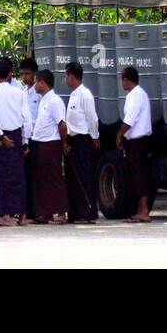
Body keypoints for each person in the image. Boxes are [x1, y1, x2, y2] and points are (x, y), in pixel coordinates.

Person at [0, 58, 32, 226]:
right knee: (19, 175)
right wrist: (25, 141)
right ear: (11, 73)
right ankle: (22, 214)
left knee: (2, 176)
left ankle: (4, 215)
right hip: (17, 135)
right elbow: (27, 118)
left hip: (0, 136)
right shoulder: (20, 93)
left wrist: (1, 134)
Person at [63, 62, 100, 223]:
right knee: (72, 178)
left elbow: (92, 118)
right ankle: (75, 212)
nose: (65, 79)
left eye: (66, 76)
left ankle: (88, 212)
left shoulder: (85, 94)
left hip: (83, 139)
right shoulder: (73, 95)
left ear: (71, 76)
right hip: (72, 140)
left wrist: (95, 136)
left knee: (85, 176)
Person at [30, 70, 68, 224]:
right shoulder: (43, 100)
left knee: (54, 178)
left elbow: (62, 125)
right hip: (40, 142)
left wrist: (63, 142)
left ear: (42, 83)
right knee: (42, 179)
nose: (34, 85)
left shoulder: (54, 101)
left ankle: (61, 212)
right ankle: (45, 212)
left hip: (51, 143)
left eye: (36, 81)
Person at [117, 66, 153, 223]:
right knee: (137, 174)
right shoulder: (137, 94)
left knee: (138, 175)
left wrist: (119, 134)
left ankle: (144, 211)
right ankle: (140, 210)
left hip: (138, 140)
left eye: (122, 80)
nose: (121, 83)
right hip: (137, 140)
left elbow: (129, 120)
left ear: (126, 79)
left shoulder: (136, 95)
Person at [18, 57, 40, 218]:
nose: (25, 77)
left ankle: (38, 209)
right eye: (22, 74)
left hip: (37, 137)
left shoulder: (39, 93)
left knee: (36, 175)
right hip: (25, 137)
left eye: (28, 74)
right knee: (26, 174)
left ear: (34, 74)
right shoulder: (22, 93)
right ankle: (29, 210)